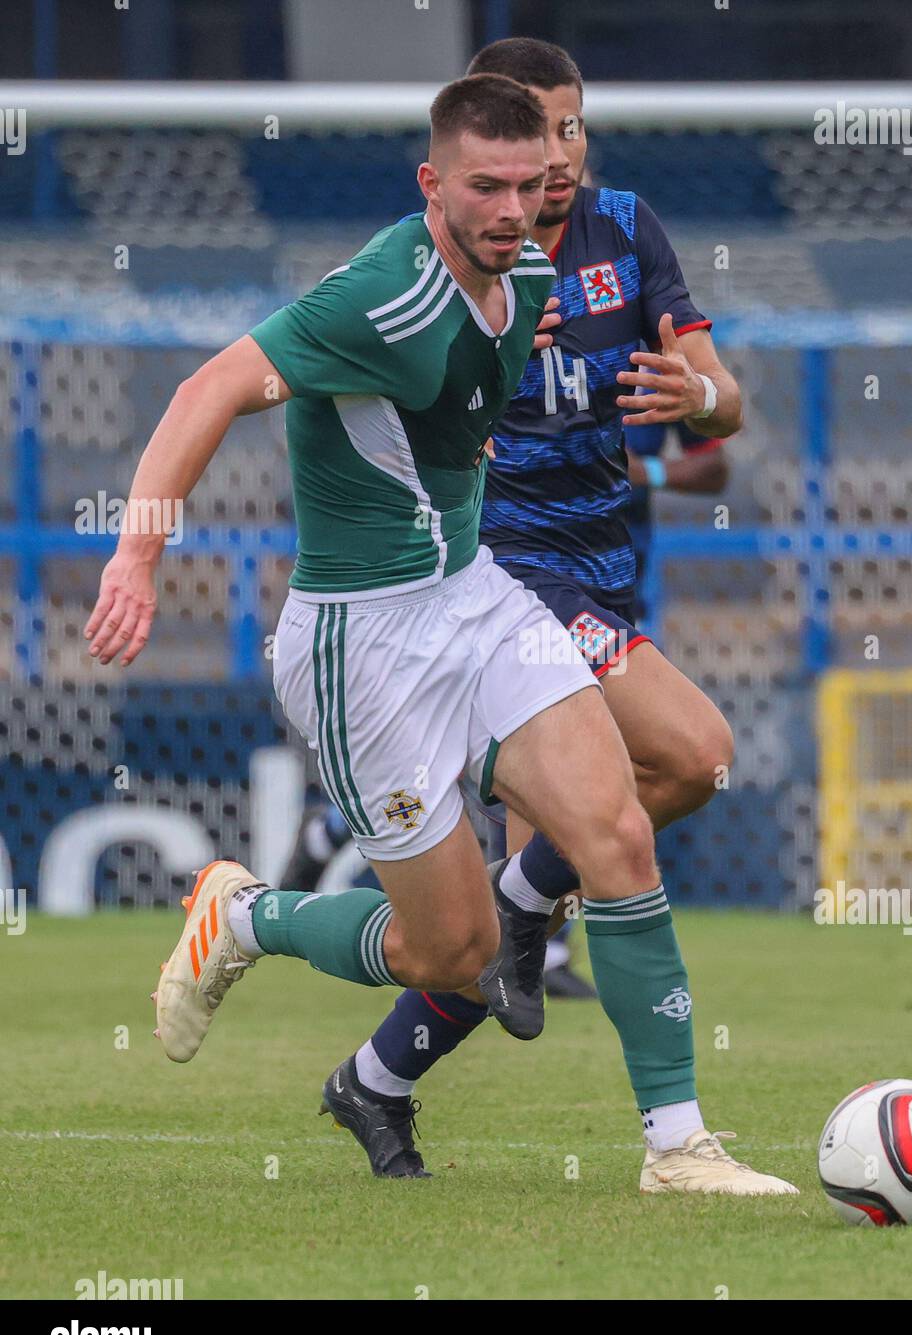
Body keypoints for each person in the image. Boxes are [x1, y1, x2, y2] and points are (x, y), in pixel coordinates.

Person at [84, 72, 796, 1198]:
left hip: (477, 600)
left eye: (530, 182)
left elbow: (524, 428)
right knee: (448, 958)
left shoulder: (534, 269)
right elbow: (205, 387)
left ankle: (677, 1146)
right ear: (433, 183)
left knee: (616, 829)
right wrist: (137, 551)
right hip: (362, 648)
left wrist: (689, 409)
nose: (514, 206)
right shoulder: (379, 294)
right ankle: (245, 913)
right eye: (485, 185)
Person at [349, 40, 797, 1196]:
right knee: (689, 757)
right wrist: (490, 358)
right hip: (498, 571)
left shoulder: (626, 227)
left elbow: (724, 403)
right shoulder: (452, 260)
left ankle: (380, 1069)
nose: (557, 154)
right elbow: (397, 414)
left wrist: (697, 397)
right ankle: (673, 1139)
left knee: (632, 815)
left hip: (603, 563)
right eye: (539, 131)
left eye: (572, 128)